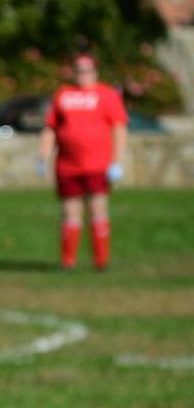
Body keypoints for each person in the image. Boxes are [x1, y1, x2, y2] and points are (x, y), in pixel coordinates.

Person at [36, 54, 128, 271]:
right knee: (70, 213)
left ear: (95, 72)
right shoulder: (63, 94)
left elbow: (119, 128)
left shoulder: (106, 94)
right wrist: (43, 156)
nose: (83, 74)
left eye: (87, 70)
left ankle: (101, 261)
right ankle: (68, 262)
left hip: (98, 165)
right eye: (79, 70)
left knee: (98, 210)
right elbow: (51, 128)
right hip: (68, 166)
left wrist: (117, 161)